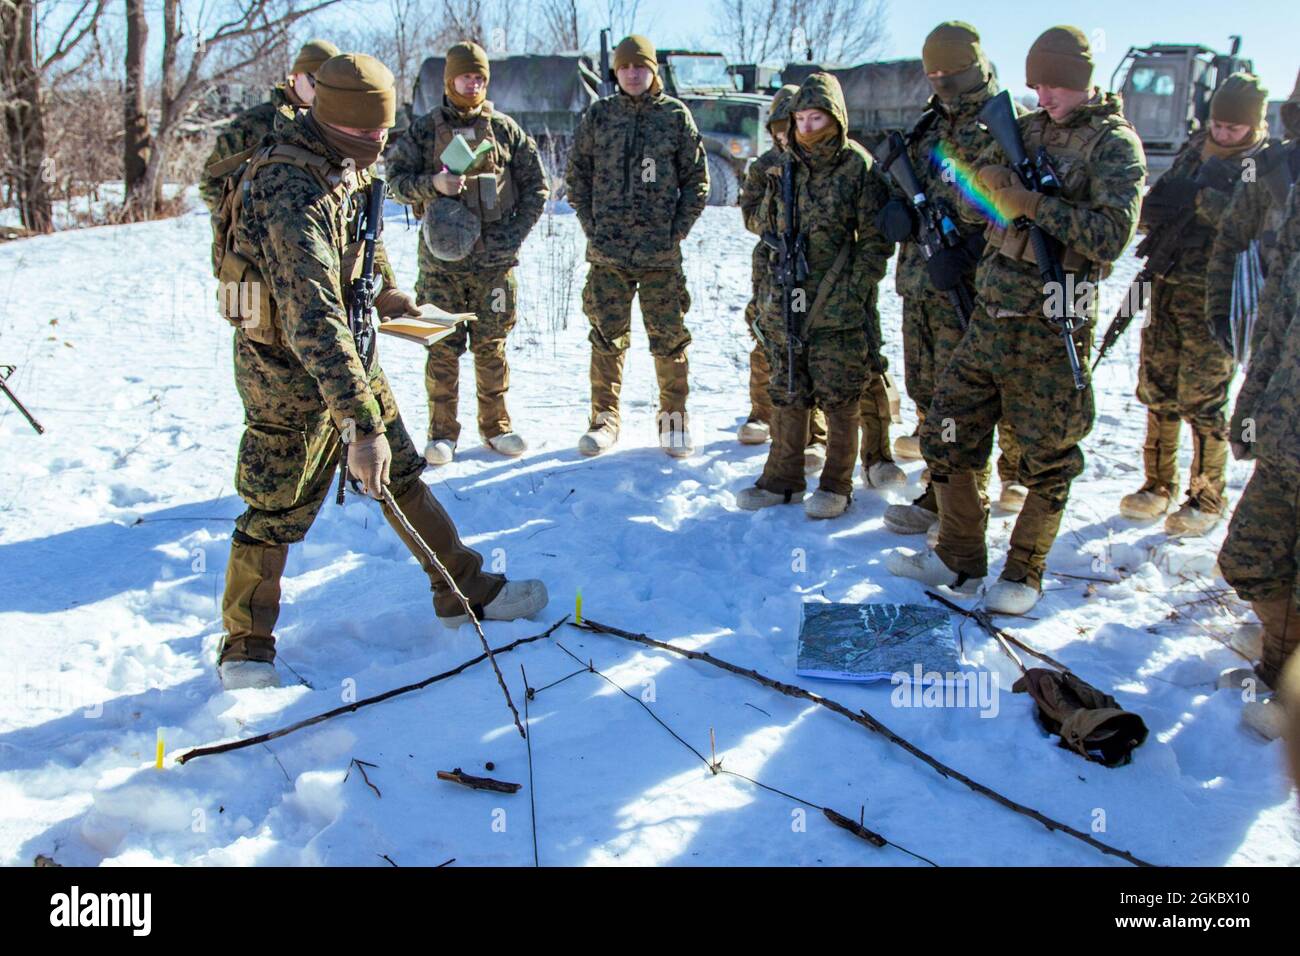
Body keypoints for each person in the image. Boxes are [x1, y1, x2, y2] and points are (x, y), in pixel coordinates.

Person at [216, 53, 547, 690]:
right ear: (332, 119)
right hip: (286, 371)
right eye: (367, 135)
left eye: (383, 134)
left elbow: (364, 245)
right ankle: (245, 646)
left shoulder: (348, 163)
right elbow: (312, 315)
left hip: (349, 354)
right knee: (274, 504)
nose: (378, 146)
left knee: (401, 472)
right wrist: (359, 425)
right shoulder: (287, 186)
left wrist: (394, 298)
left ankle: (464, 590)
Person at [887, 26, 1145, 615]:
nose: (1044, 95)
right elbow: (974, 201)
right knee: (947, 428)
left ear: (1083, 81)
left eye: (1056, 85)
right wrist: (987, 188)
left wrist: (1035, 204)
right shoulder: (1022, 130)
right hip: (992, 309)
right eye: (1037, 84)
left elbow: (1109, 237)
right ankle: (958, 555)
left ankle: (1023, 573)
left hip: (1055, 319)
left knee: (1048, 456)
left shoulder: (1115, 144)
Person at [878, 21, 1025, 542]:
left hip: (973, 287)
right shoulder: (927, 127)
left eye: (951, 71)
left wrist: (966, 254)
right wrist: (894, 210)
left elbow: (1016, 208)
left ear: (975, 66)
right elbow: (896, 183)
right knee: (925, 389)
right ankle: (938, 486)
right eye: (932, 72)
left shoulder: (1004, 126)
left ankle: (969, 494)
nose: (941, 81)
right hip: (919, 281)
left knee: (965, 397)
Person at [736, 72, 893, 519]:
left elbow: (877, 240)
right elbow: (767, 230)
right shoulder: (783, 166)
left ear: (835, 118)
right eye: (800, 119)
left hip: (838, 301)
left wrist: (854, 289)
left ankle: (836, 486)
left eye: (815, 117)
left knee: (840, 395)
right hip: (787, 298)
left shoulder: (856, 166)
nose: (805, 128)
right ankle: (781, 479)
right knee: (787, 388)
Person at [1119, 73, 1271, 535]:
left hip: (1217, 302)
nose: (1223, 134)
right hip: (1166, 288)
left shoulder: (1262, 164)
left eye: (1233, 128)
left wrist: (1202, 199)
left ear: (1253, 126)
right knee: (1158, 390)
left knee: (1203, 402)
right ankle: (1156, 486)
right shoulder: (1194, 148)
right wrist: (1154, 209)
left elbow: (1250, 222)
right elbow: (1163, 202)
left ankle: (1206, 498)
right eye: (1218, 125)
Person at [386, 41, 548, 465]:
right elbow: (394, 182)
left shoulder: (506, 131)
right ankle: (442, 434)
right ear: (449, 80)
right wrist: (432, 186)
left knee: (491, 347)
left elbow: (537, 188)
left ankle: (497, 428)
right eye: (465, 76)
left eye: (479, 77)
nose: (472, 84)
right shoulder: (424, 130)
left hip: (494, 265)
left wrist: (511, 238)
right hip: (440, 265)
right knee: (441, 346)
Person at [566, 34, 710, 458]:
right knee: (607, 338)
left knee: (669, 340)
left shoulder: (674, 117)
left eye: (640, 67)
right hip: (608, 255)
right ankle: (604, 420)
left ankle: (673, 423)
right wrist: (593, 227)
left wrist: (674, 231)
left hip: (660, 258)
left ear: (653, 71)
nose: (632, 73)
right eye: (625, 67)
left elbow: (697, 181)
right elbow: (577, 176)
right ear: (616, 71)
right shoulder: (600, 116)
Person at [1218, 181, 1299, 739]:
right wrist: (1248, 408)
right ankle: (1282, 658)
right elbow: (1272, 332)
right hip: (1284, 440)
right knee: (1248, 557)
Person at [738, 84, 828, 472]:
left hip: (814, 269)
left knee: (810, 345)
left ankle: (816, 432)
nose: (783, 133)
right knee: (765, 336)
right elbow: (750, 215)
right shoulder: (765, 167)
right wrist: (779, 222)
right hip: (772, 266)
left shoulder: (818, 164)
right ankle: (762, 412)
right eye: (779, 126)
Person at [199, 39, 339, 216]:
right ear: (295, 75)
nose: (322, 92)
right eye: (315, 82)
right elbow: (211, 183)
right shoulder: (252, 124)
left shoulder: (334, 128)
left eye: (331, 86)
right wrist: (246, 224)